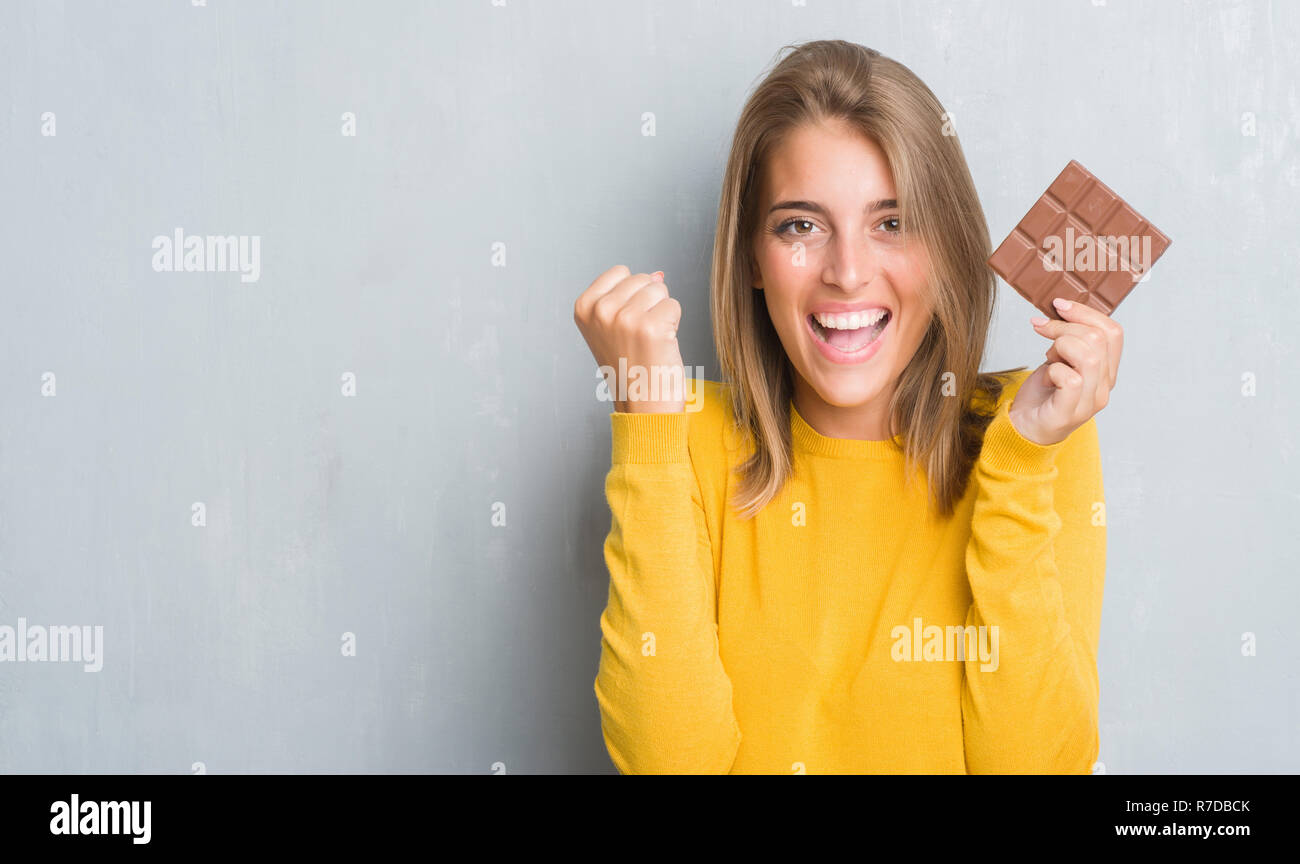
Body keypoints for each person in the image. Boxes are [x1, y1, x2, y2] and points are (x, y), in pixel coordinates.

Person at [573, 40, 1115, 774]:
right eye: (801, 225)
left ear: (947, 250)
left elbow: (1039, 769)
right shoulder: (681, 434)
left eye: (892, 222)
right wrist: (649, 430)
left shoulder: (1034, 428)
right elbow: (672, 763)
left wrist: (1019, 464)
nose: (849, 273)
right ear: (754, 260)